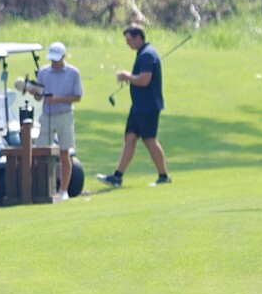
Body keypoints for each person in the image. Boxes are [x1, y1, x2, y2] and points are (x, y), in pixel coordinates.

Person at [99, 24, 171, 188]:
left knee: (149, 140)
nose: (128, 43)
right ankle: (117, 176)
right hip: (138, 106)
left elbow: (144, 80)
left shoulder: (147, 55)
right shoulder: (144, 53)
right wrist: (129, 77)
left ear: (139, 37)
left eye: (129, 40)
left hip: (148, 106)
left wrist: (127, 76)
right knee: (130, 138)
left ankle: (163, 175)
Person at [31, 41, 82, 187]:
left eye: (57, 58)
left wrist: (58, 99)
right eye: (52, 58)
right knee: (41, 152)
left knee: (64, 152)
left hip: (65, 115)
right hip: (47, 115)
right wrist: (36, 93)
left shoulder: (73, 73)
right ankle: (41, 187)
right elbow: (39, 95)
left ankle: (64, 189)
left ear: (63, 56)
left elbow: (77, 96)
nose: (54, 61)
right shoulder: (43, 72)